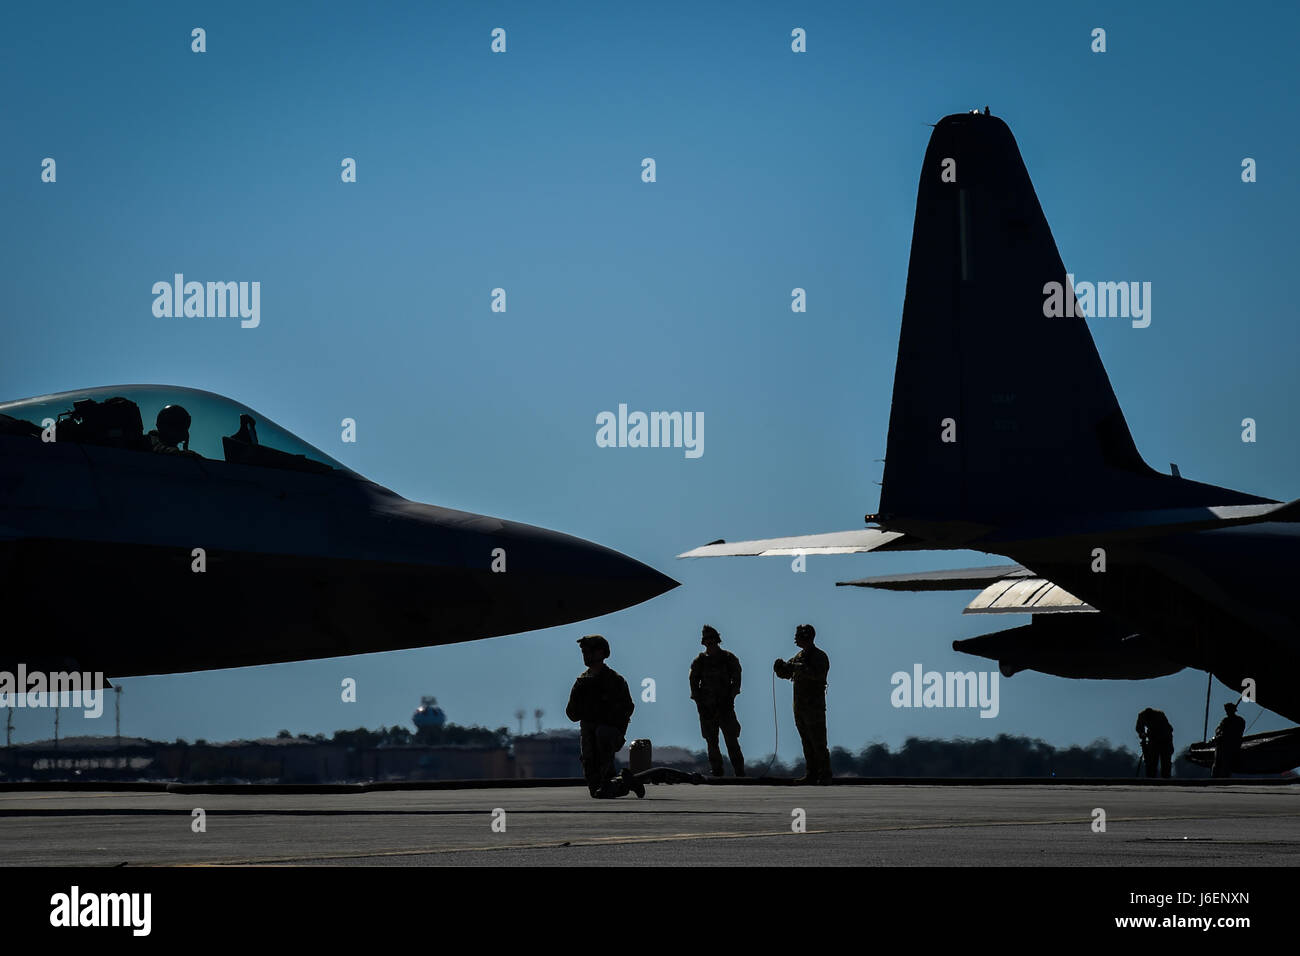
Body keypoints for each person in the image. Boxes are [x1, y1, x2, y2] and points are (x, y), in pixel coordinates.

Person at [565, 635, 643, 798]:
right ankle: (626, 781)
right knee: (596, 790)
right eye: (584, 652)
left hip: (609, 734)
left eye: (589, 651)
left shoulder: (614, 681)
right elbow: (571, 714)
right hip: (589, 737)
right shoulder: (582, 683)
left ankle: (612, 781)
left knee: (602, 734)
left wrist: (613, 724)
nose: (586, 655)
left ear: (601, 653)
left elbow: (628, 707)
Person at [774, 624, 831, 784]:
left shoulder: (820, 656)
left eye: (799, 635)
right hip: (799, 708)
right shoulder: (799, 656)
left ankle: (825, 774)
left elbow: (818, 674)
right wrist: (781, 668)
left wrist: (798, 668)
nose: (796, 638)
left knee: (819, 742)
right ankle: (811, 774)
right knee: (806, 741)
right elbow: (786, 673)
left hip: (814, 708)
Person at [689, 625, 745, 777]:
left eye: (712, 639)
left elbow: (737, 679)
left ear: (717, 640)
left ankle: (739, 771)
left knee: (731, 740)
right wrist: (700, 704)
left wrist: (731, 697)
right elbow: (693, 683)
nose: (710, 642)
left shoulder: (728, 658)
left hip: (725, 707)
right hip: (707, 708)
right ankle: (717, 771)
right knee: (711, 742)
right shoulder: (699, 661)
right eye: (707, 639)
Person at [1134, 707, 1174, 778]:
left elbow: (1168, 729)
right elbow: (1139, 727)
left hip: (1165, 740)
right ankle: (1151, 778)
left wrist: (1152, 735)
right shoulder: (1142, 716)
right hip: (1153, 741)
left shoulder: (1160, 715)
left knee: (1165, 764)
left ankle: (1166, 779)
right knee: (1151, 763)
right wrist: (1142, 734)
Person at [1211, 702, 1246, 778]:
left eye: (1228, 710)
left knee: (1225, 763)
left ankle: (1223, 777)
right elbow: (1218, 730)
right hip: (1222, 744)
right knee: (1218, 763)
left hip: (1230, 745)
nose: (1227, 712)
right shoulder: (1225, 720)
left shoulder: (1238, 720)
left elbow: (1236, 733)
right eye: (1226, 710)